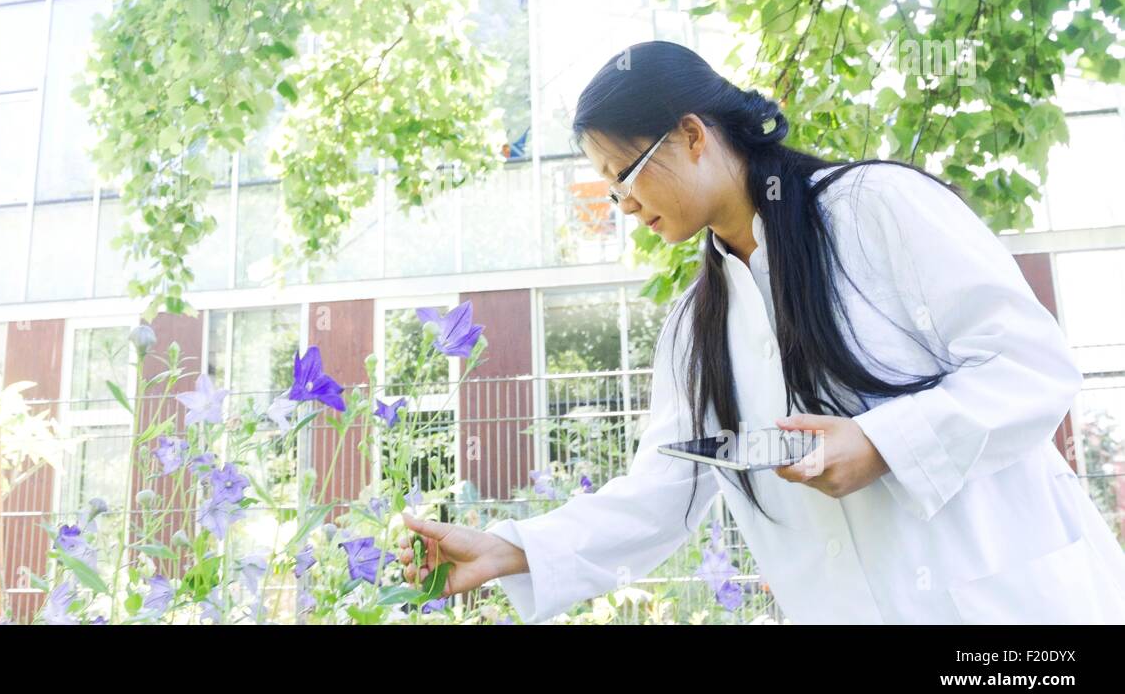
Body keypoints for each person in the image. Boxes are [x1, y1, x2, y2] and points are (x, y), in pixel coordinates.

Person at [398, 40, 1125, 624]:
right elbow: (665, 489)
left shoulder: (878, 208)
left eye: (625, 172)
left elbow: (1031, 365)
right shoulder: (694, 328)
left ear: (691, 134)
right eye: (608, 186)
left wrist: (883, 444)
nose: (621, 203)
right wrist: (508, 548)